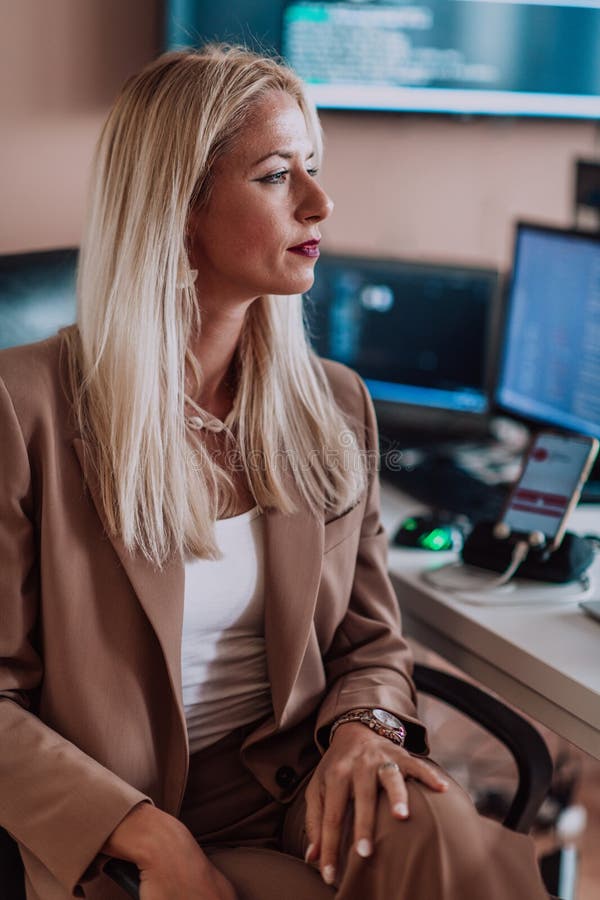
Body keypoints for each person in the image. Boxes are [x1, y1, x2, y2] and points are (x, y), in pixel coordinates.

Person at [0, 45, 549, 900]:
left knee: (438, 832)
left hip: (302, 788)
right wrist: (144, 836)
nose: (320, 202)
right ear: (179, 205)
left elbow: (370, 641)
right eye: (274, 176)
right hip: (121, 825)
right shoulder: (22, 407)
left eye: (314, 169)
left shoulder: (332, 403)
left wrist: (367, 729)